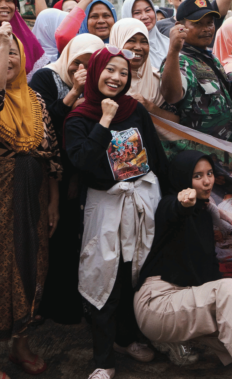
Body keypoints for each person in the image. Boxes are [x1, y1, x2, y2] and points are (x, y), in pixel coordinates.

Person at [0, 22, 62, 379]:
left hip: (33, 191)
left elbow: (52, 154)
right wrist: (4, 40)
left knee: (32, 265)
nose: (7, 59)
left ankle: (21, 345)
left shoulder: (35, 99)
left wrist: (53, 201)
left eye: (14, 52)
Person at [64, 47, 170, 379]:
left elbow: (155, 156)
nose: (117, 77)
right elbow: (81, 160)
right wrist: (104, 121)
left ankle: (128, 338)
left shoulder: (135, 110)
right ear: (96, 72)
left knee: (134, 273)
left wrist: (167, 202)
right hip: (105, 208)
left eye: (123, 72)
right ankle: (103, 360)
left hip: (141, 203)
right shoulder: (79, 118)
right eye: (110, 70)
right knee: (103, 277)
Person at [133, 151, 232, 379]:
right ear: (183, 178)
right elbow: (174, 211)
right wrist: (183, 203)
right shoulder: (168, 205)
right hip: (158, 303)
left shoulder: (204, 214)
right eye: (197, 176)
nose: (206, 181)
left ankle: (178, 341)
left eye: (209, 173)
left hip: (187, 299)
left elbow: (209, 273)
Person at [28, 33, 104, 325]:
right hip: (46, 171)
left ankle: (70, 304)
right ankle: (43, 304)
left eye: (89, 65)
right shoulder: (46, 78)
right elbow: (43, 123)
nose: (80, 70)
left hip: (76, 171)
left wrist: (75, 177)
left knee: (72, 237)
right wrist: (74, 91)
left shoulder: (100, 85)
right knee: (48, 236)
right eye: (76, 63)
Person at [161, 0, 232, 143]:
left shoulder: (211, 57)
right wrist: (173, 50)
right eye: (197, 23)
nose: (206, 29)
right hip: (199, 151)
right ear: (179, 26)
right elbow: (172, 96)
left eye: (210, 23)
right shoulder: (179, 60)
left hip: (224, 150)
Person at [108, 18, 179, 122]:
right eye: (131, 40)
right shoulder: (102, 78)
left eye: (144, 42)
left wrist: (150, 107)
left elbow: (175, 122)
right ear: (117, 41)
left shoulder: (156, 80)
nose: (138, 47)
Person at [121, 0, 170, 70]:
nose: (144, 16)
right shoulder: (122, 47)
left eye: (148, 10)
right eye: (137, 13)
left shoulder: (169, 44)